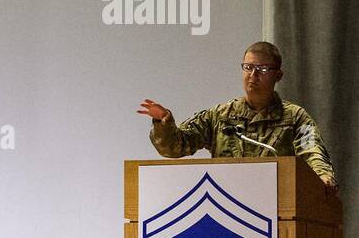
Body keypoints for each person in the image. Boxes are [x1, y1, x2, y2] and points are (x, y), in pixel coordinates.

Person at [137, 41, 338, 197]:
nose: (253, 75)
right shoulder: (220, 115)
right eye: (248, 67)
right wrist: (164, 123)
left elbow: (312, 152)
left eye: (263, 69)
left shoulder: (294, 117)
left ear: (278, 75)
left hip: (278, 208)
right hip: (226, 205)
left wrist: (323, 177)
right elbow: (175, 147)